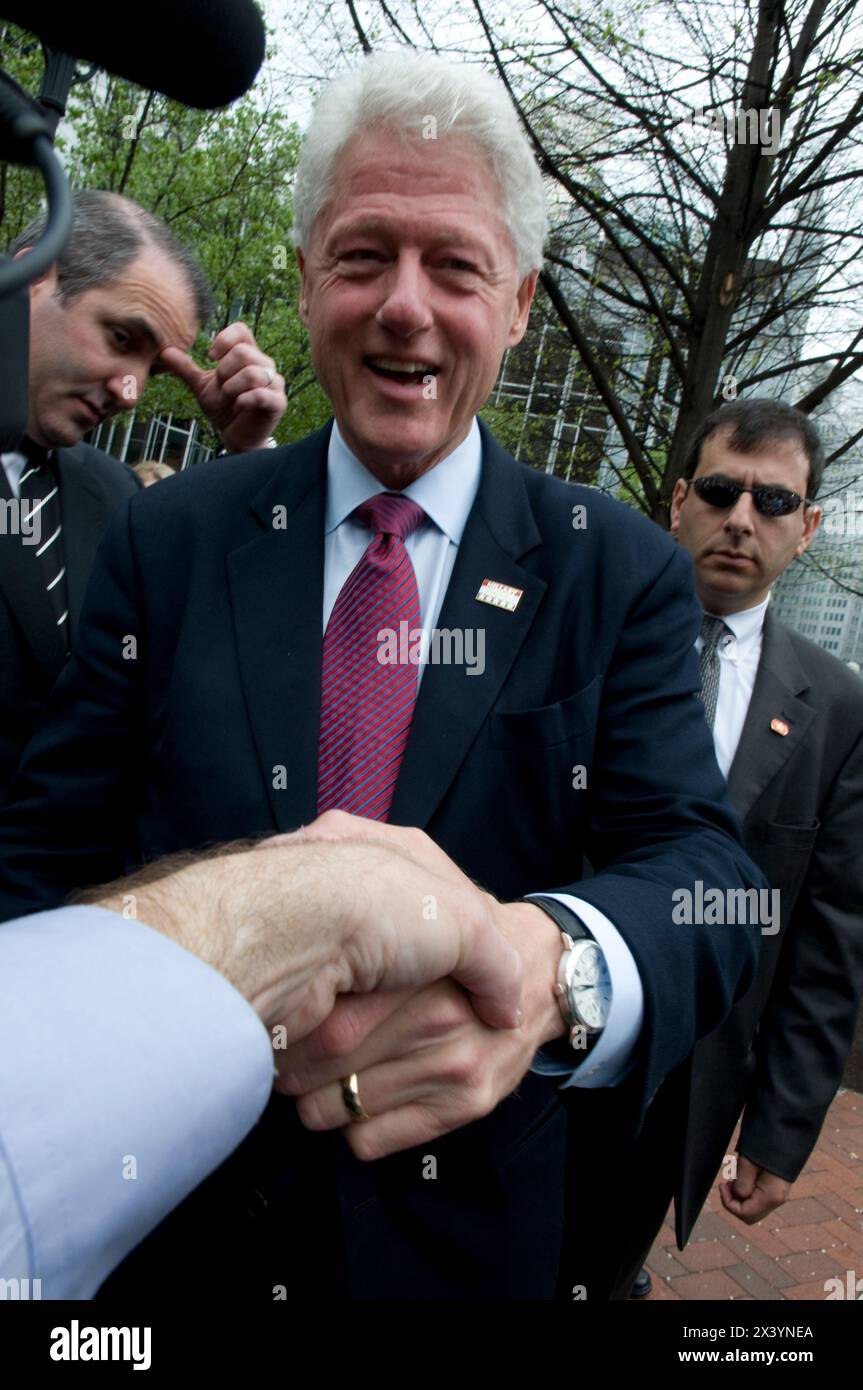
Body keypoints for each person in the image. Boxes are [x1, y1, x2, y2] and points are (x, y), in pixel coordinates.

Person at [0, 52, 763, 1301]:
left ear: (517, 302)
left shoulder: (612, 571)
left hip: (461, 1256)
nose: (404, 306)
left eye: (453, 266)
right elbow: (42, 861)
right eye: (361, 257)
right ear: (305, 286)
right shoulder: (169, 538)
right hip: (167, 1245)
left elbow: (705, 877)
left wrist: (550, 972)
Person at [0, 816, 522, 1299]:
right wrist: (264, 916)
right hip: (178, 1233)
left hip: (472, 1219)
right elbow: (46, 850)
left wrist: (555, 957)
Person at [590, 398, 863, 1300]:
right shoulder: (586, 638)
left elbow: (830, 937)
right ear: (677, 501)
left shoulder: (837, 707)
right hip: (538, 1029)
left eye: (774, 502)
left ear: (808, 526)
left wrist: (781, 1131)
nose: (741, 519)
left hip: (686, 1084)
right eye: (718, 490)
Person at [0, 189, 287, 790]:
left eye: (153, 372)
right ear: (31, 275)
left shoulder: (117, 496)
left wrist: (248, 455)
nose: (131, 393)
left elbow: (229, 657)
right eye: (121, 339)